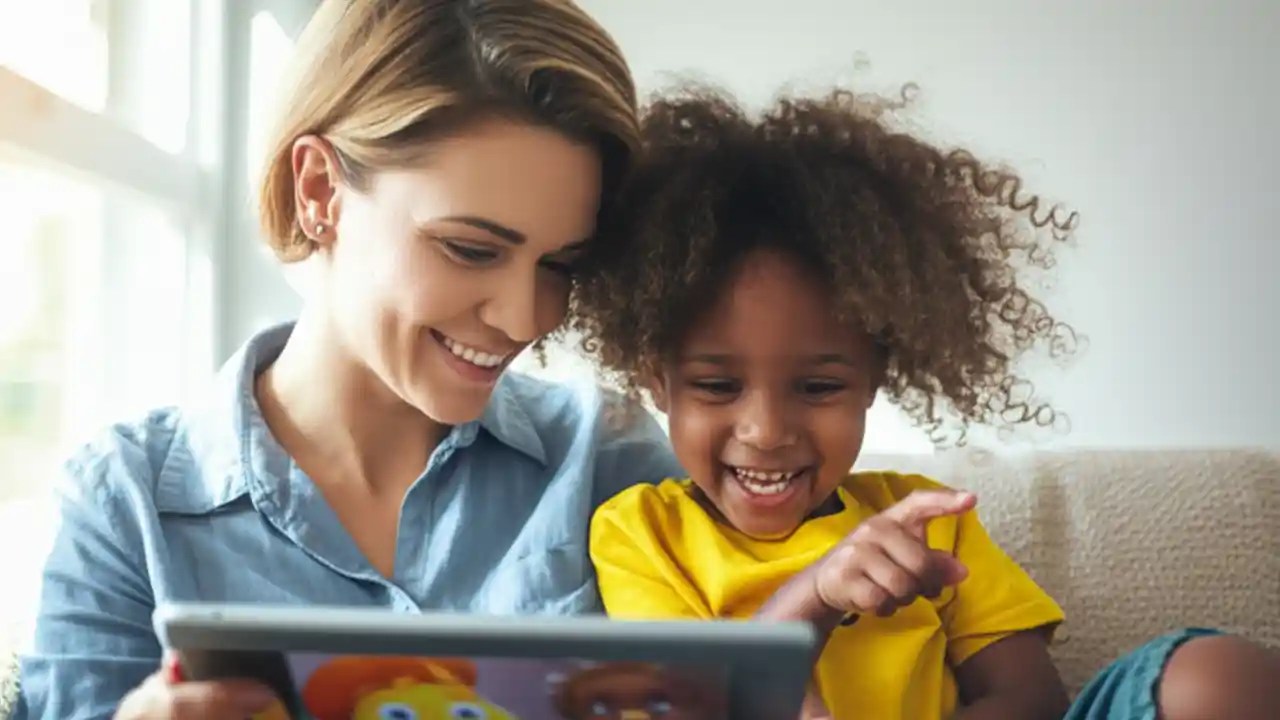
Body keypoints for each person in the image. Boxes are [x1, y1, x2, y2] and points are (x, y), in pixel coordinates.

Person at [15, 1, 683, 718]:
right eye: (470, 248)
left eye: (560, 264)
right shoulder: (124, 508)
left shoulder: (610, 463)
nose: (526, 318)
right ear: (319, 191)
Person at [569, 83, 1280, 719]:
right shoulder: (640, 532)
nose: (764, 430)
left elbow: (1034, 699)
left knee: (1214, 674)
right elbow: (702, 704)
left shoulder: (926, 521)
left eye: (818, 387)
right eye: (718, 386)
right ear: (653, 376)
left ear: (877, 374)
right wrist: (815, 596)